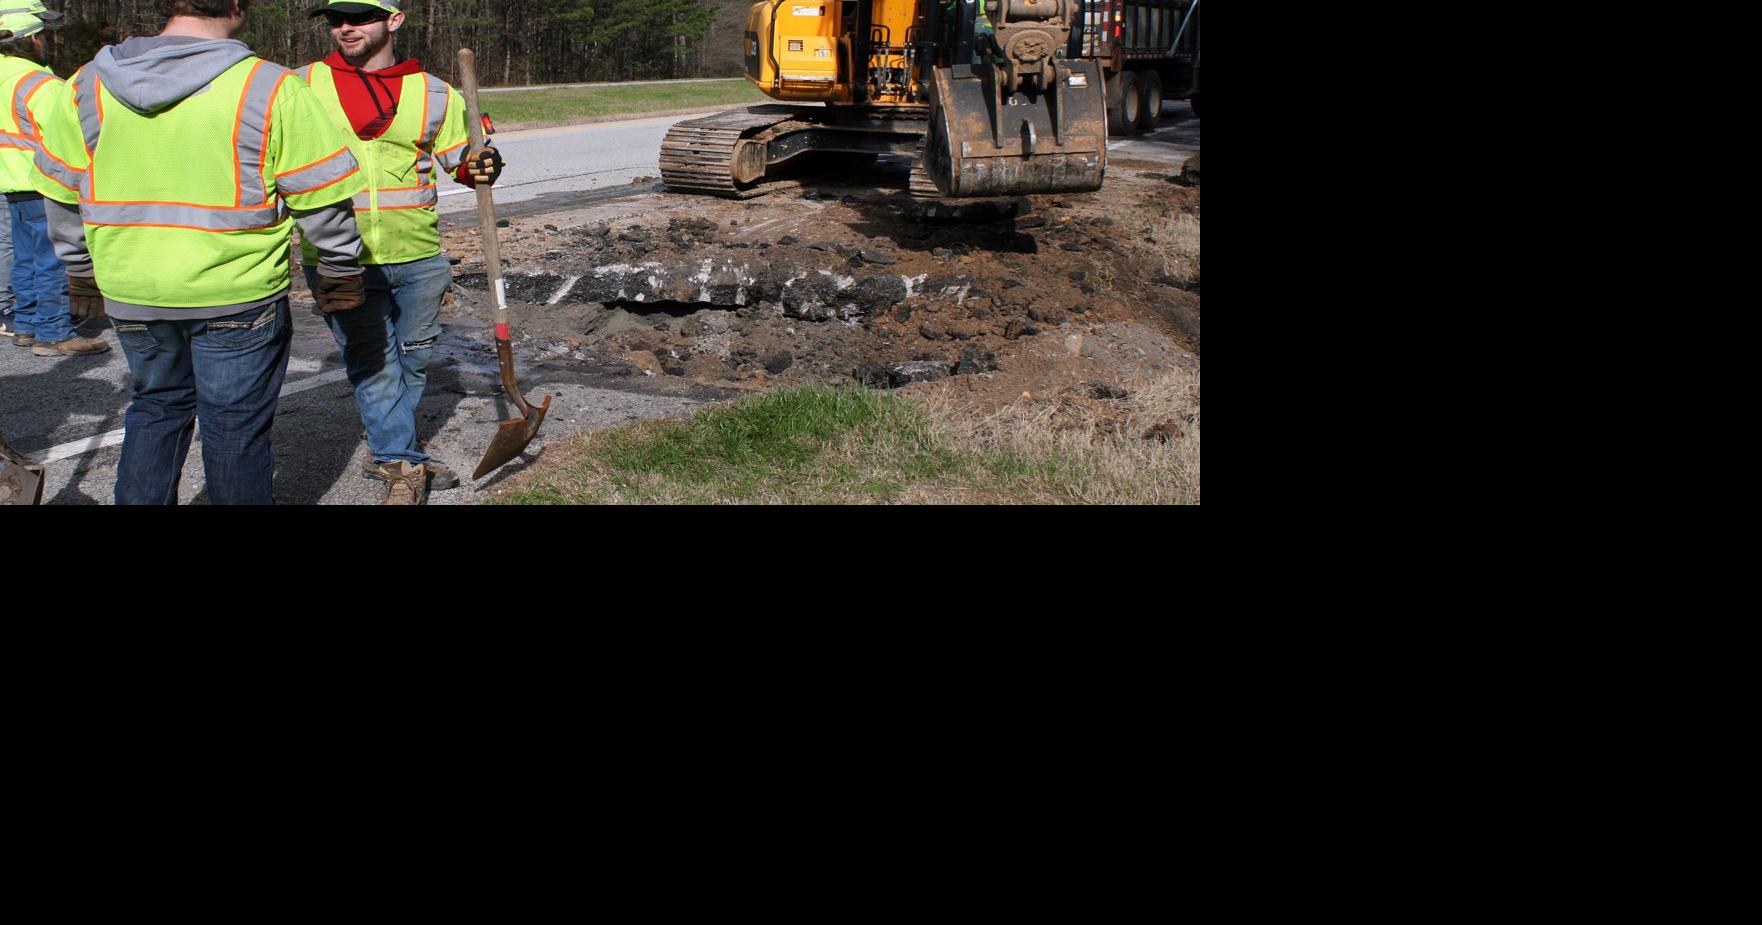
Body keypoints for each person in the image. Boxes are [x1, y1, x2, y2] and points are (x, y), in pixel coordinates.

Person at [31, 0, 371, 504]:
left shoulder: (85, 85)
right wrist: (340, 270)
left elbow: (61, 192)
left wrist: (79, 271)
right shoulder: (270, 86)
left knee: (155, 408)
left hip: (133, 291)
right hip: (238, 294)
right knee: (235, 429)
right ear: (236, 5)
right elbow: (321, 200)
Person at [296, 0, 504, 504]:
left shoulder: (435, 93)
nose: (345, 28)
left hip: (418, 253)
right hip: (338, 256)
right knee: (373, 361)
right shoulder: (298, 87)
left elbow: (460, 160)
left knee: (412, 359)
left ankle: (392, 445)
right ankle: (402, 463)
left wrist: (483, 163)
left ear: (393, 21)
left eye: (359, 17)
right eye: (335, 20)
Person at [0, 7, 106, 357]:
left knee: (27, 258)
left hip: (10, 183)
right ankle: (54, 332)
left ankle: (27, 325)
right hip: (43, 183)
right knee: (52, 260)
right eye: (42, 36)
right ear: (32, 40)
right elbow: (67, 135)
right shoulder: (40, 84)